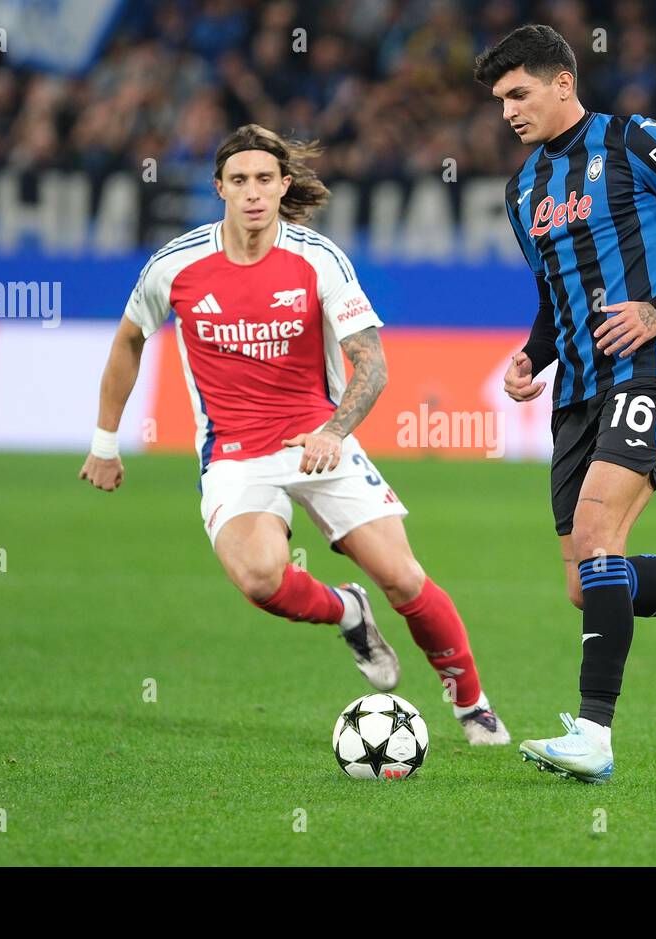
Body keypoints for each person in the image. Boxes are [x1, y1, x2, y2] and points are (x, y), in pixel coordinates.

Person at [78, 124, 509, 745]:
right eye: (238, 181)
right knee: (259, 579)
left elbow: (374, 364)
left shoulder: (318, 259)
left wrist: (335, 431)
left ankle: (472, 705)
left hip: (320, 441)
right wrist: (104, 443)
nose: (252, 193)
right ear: (219, 189)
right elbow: (128, 340)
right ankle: (347, 611)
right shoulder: (175, 267)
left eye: (263, 180)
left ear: (283, 186)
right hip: (234, 453)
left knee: (405, 578)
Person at [474, 25, 656, 781]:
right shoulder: (521, 190)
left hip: (652, 367)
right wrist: (530, 356)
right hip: (574, 393)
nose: (507, 111)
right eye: (499, 100)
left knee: (599, 529)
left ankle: (594, 737)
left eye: (518, 93)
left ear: (562, 83)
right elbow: (552, 299)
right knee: (586, 582)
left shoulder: (639, 140)